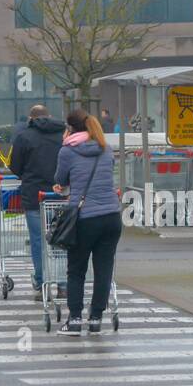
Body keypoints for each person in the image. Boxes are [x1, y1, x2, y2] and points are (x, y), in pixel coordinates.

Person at [52, 109, 120, 335]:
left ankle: (73, 320)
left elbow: (60, 179)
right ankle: (96, 319)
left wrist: (61, 185)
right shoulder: (105, 148)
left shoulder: (67, 151)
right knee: (103, 270)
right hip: (111, 217)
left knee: (77, 270)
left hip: (84, 218)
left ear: (70, 128)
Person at [9, 104, 65, 294]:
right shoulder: (63, 135)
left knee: (38, 241)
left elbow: (15, 166)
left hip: (35, 197)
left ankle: (42, 284)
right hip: (61, 195)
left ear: (30, 119)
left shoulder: (24, 136)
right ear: (49, 116)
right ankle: (63, 283)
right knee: (62, 240)